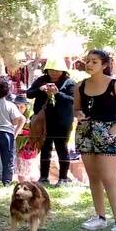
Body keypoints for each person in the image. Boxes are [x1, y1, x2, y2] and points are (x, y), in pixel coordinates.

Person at [74, 49, 116, 231]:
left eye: (94, 62)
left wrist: (112, 132)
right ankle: (100, 217)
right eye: (88, 61)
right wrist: (79, 115)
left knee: (109, 177)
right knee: (93, 177)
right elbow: (77, 109)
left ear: (104, 65)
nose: (89, 64)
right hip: (85, 133)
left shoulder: (115, 85)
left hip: (106, 133)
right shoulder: (80, 86)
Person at [26, 58, 76, 186]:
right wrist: (40, 90)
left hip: (62, 122)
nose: (53, 73)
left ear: (63, 71)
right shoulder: (41, 80)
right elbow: (29, 94)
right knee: (45, 148)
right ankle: (43, 177)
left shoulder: (69, 83)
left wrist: (57, 93)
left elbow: (72, 100)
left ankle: (63, 178)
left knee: (62, 148)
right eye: (51, 70)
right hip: (44, 122)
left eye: (57, 70)